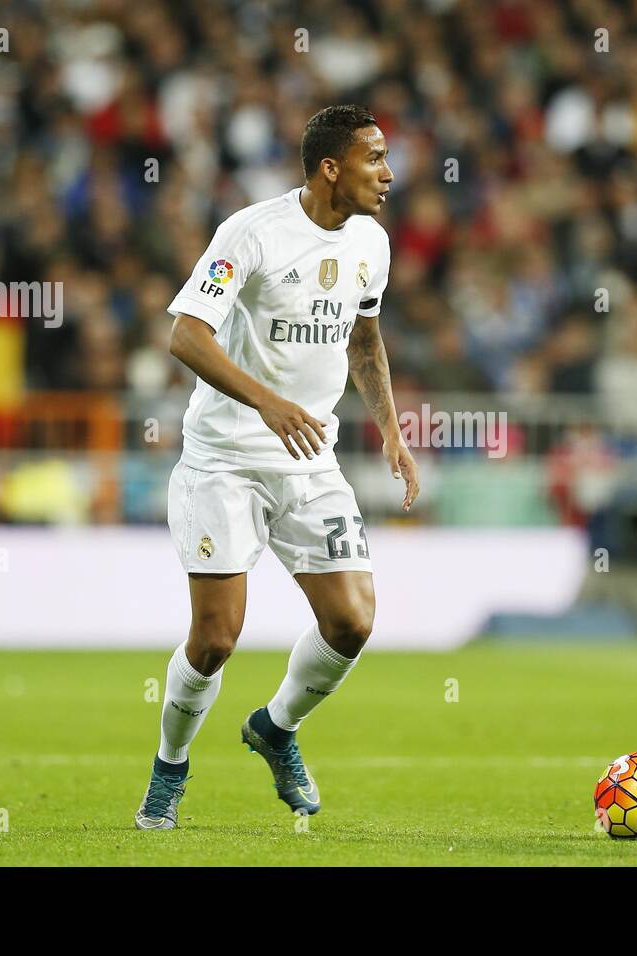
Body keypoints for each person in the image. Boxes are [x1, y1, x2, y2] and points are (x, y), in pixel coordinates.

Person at [135, 105, 420, 829]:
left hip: (308, 457)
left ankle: (276, 727)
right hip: (226, 456)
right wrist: (268, 403)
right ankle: (170, 767)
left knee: (353, 621)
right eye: (374, 159)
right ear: (331, 168)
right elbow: (186, 337)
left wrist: (391, 429)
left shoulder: (373, 245)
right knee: (215, 640)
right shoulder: (252, 232)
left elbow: (363, 340)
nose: (388, 174)